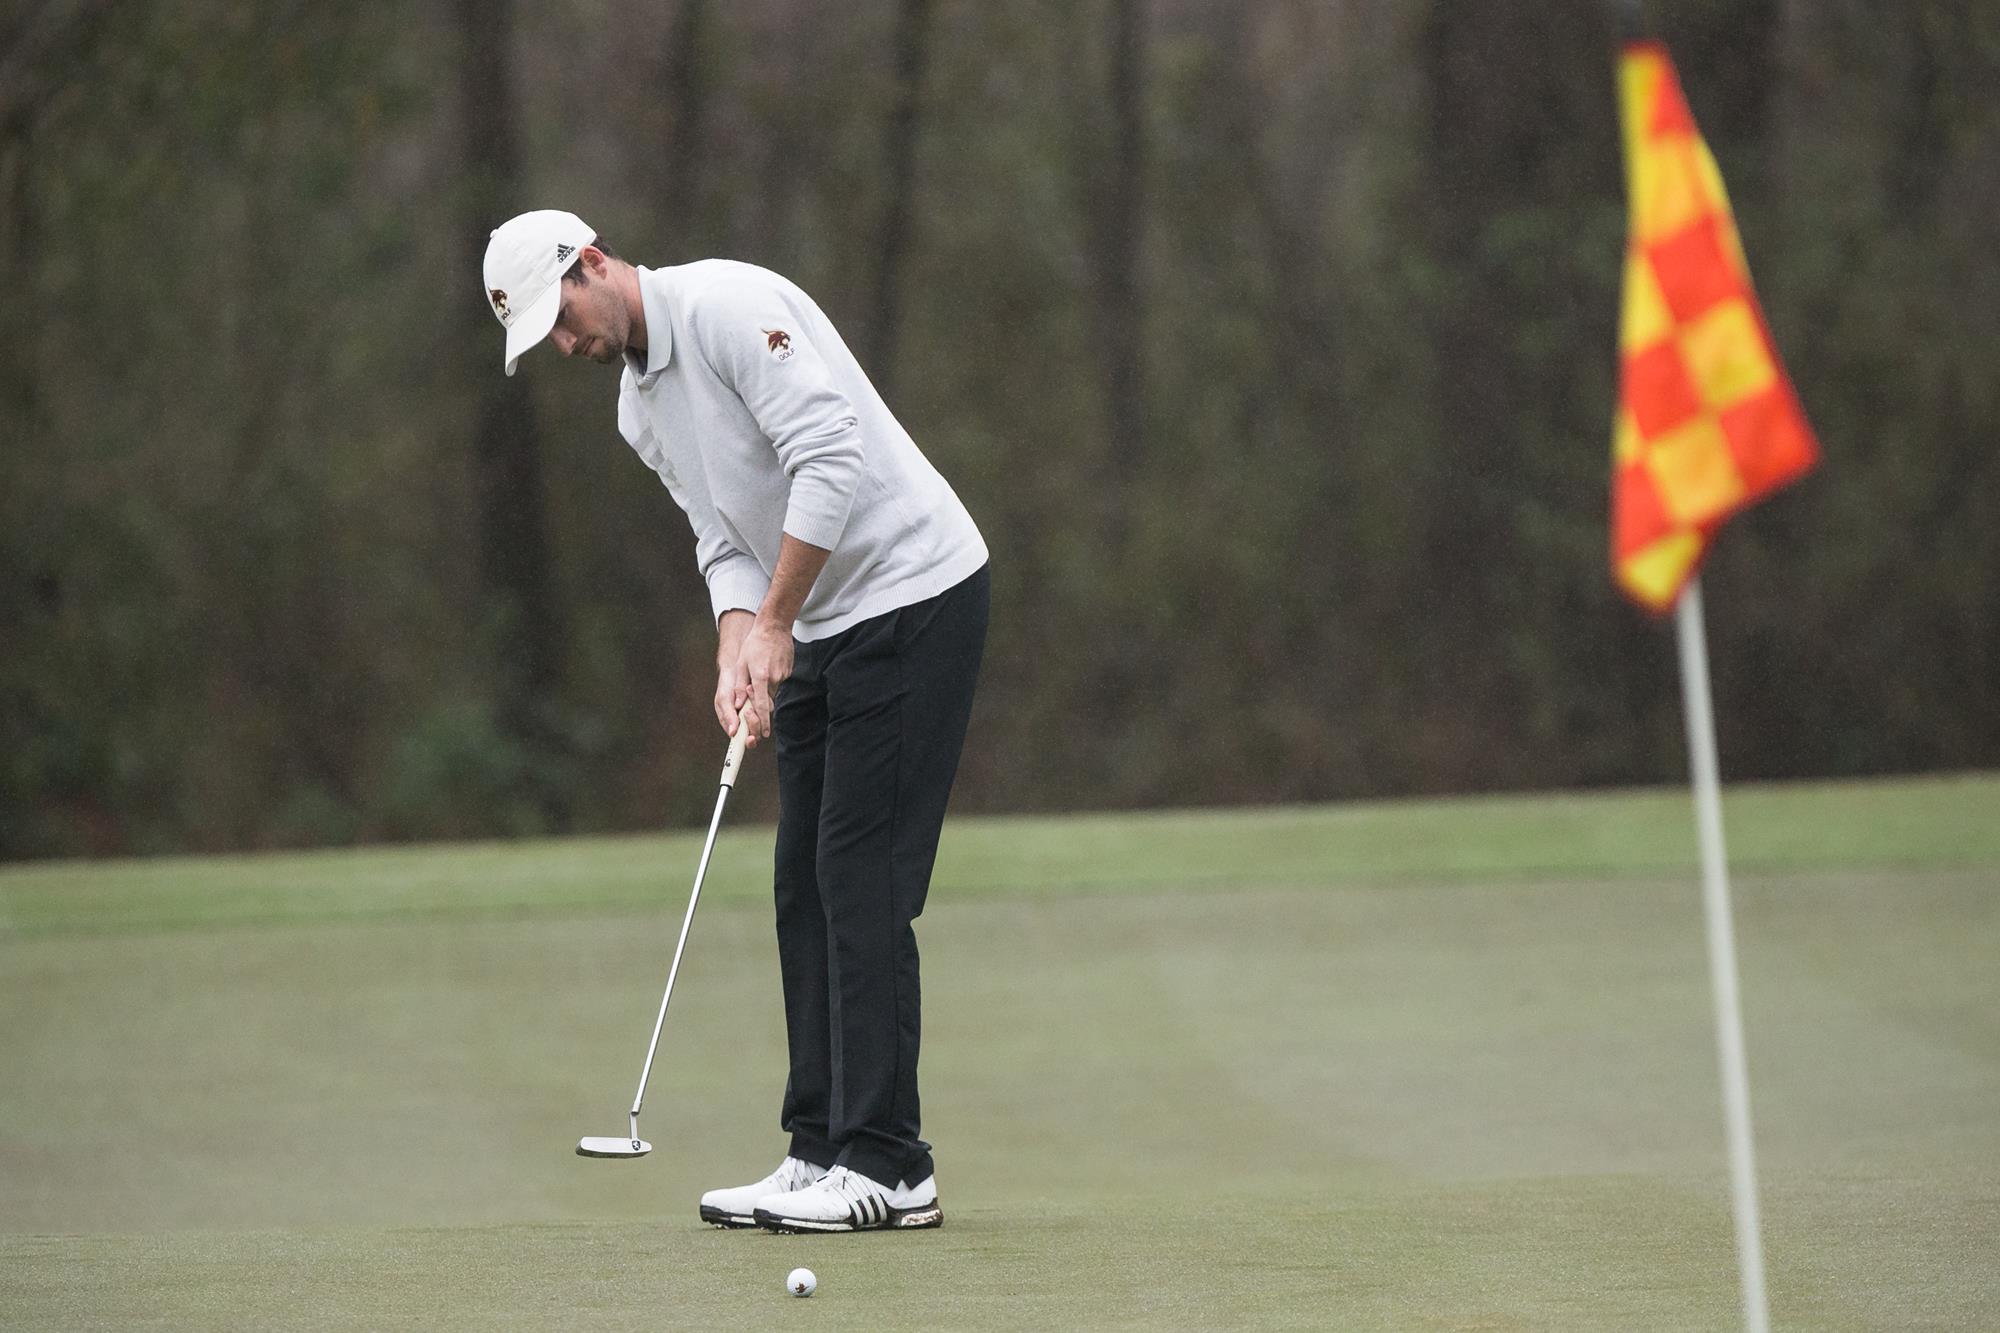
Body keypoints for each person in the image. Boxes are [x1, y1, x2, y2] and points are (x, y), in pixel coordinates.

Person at [482, 210, 989, 1233]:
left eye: (562, 320)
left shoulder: (727, 306)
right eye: (544, 339)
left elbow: (830, 456)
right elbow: (721, 538)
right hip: (816, 620)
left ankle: (891, 1165)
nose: (564, 346)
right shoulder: (637, 410)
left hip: (914, 594)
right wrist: (735, 644)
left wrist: (775, 622)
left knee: (860, 878)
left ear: (592, 264)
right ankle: (819, 1148)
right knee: (800, 881)